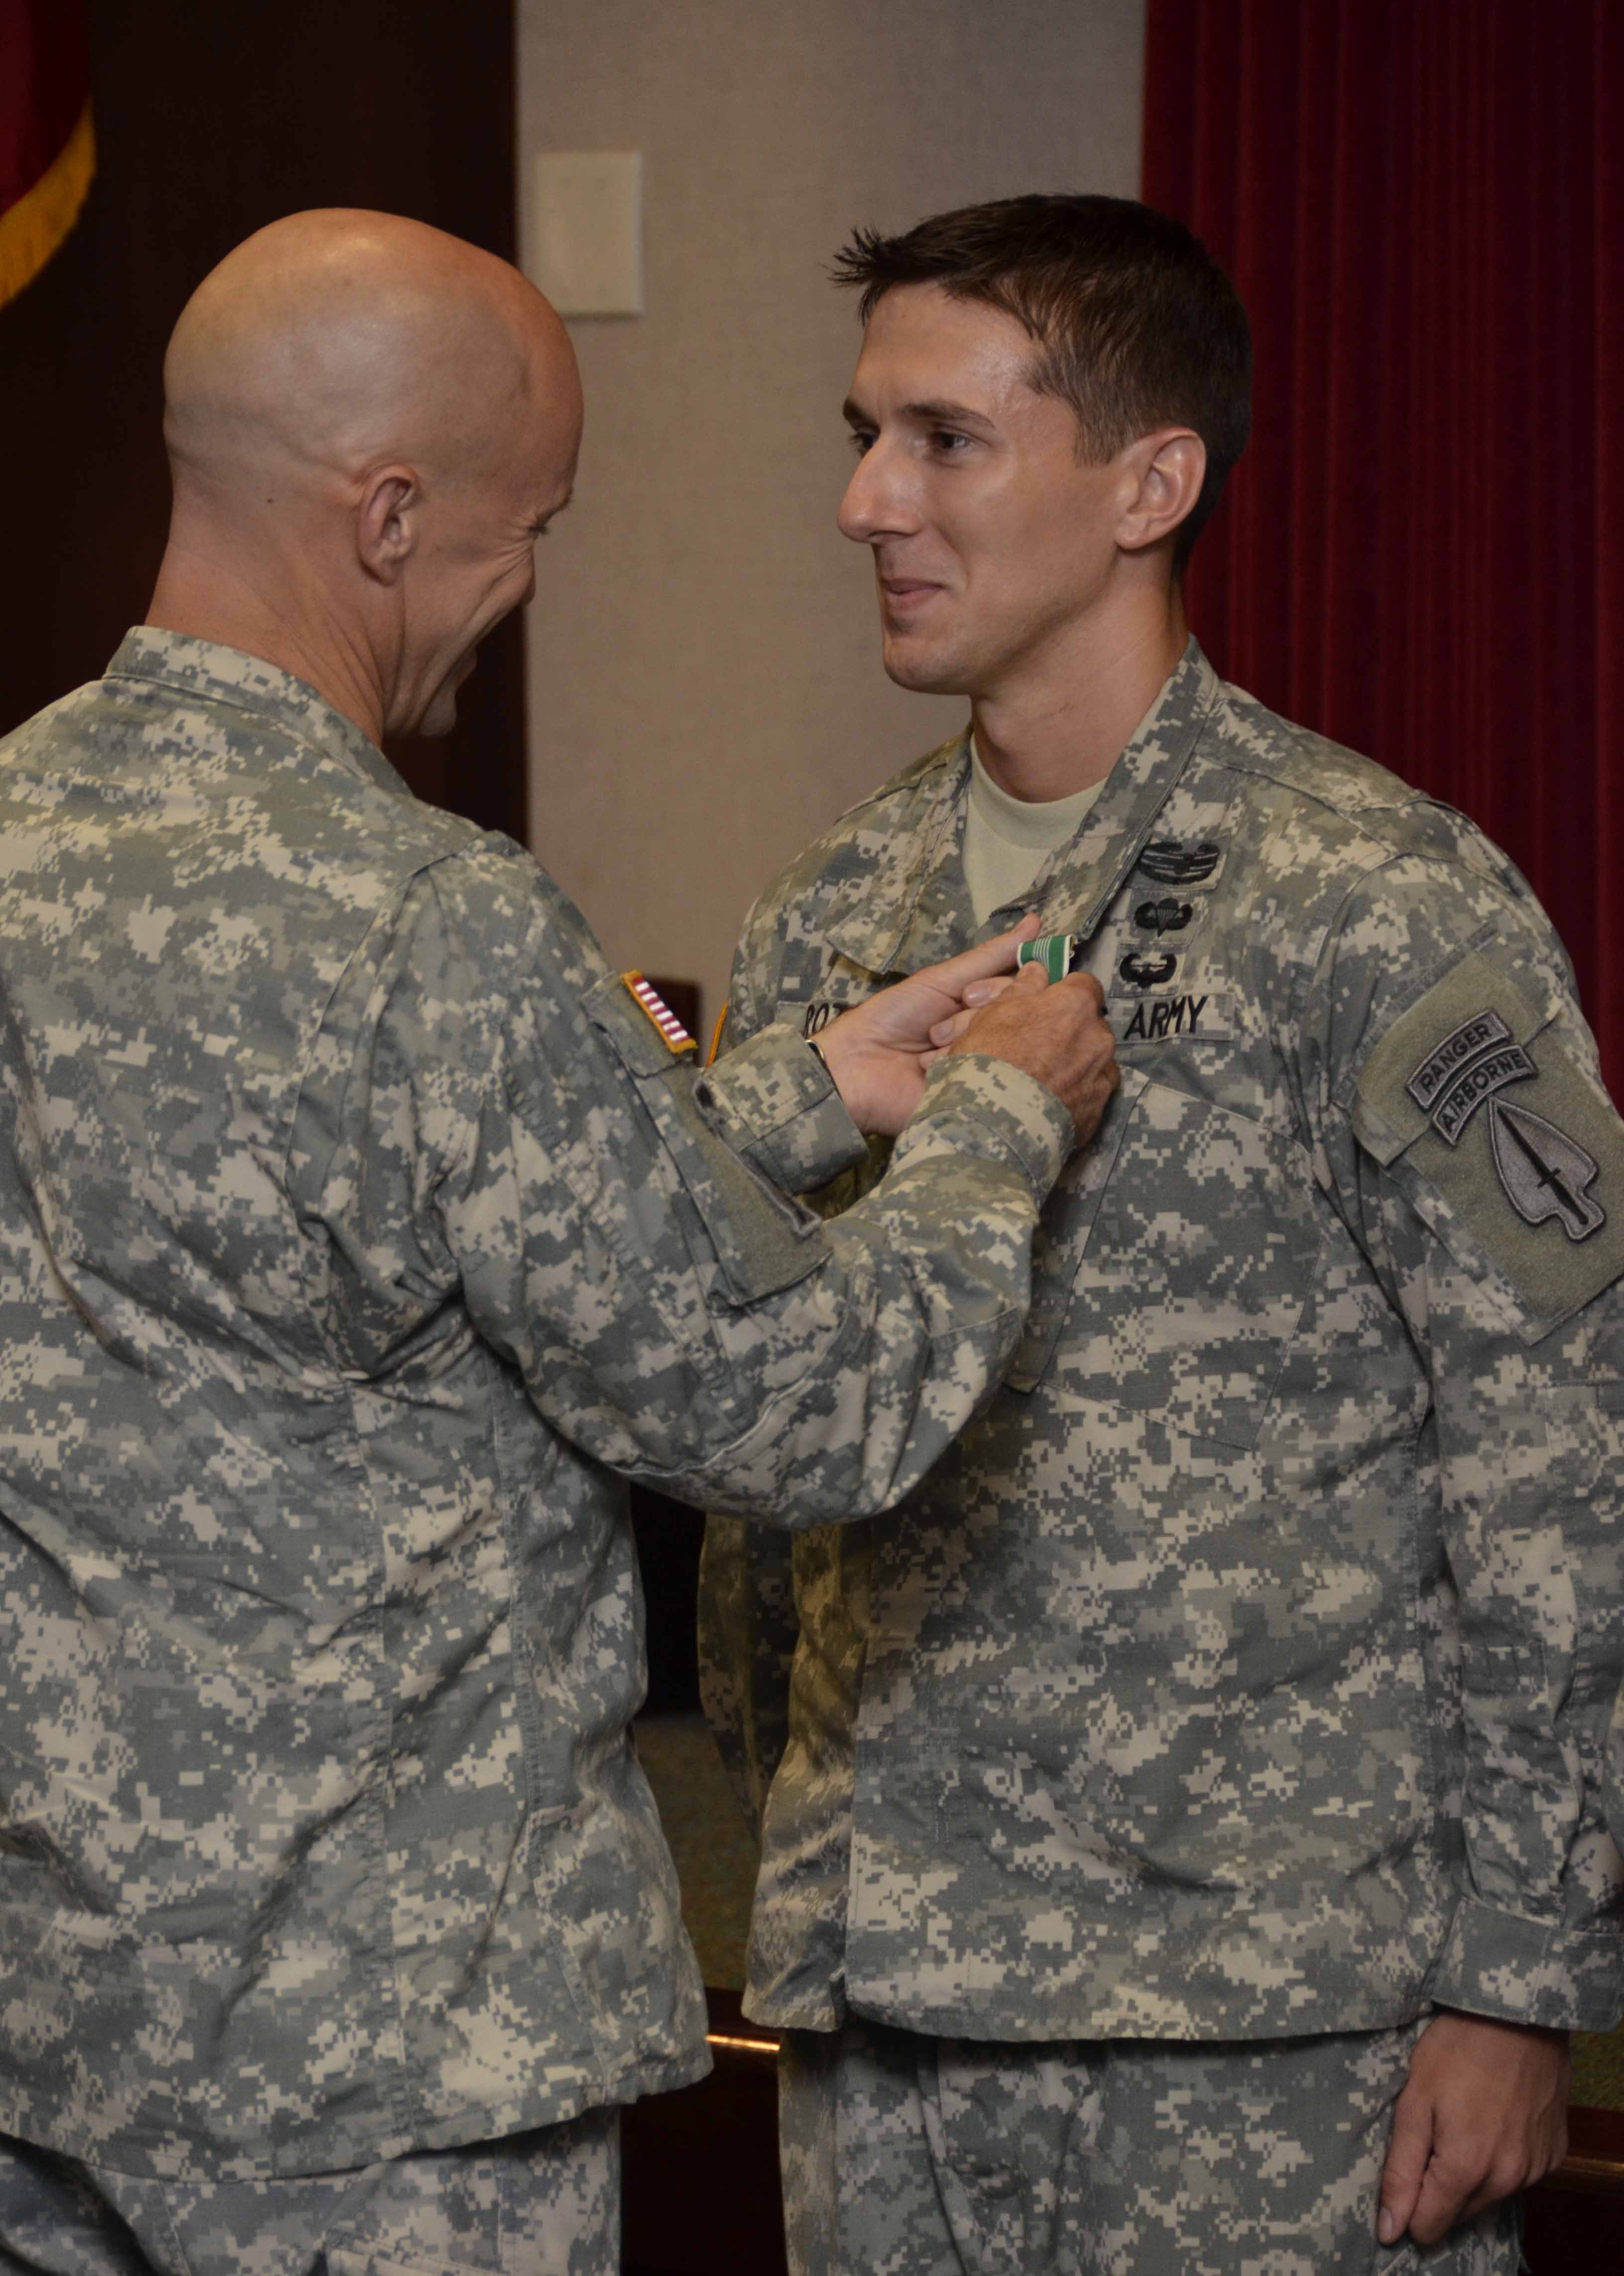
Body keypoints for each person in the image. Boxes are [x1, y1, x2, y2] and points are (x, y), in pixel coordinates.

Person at [0, 209, 1122, 2276]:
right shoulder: (433, 919)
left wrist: (794, 1089)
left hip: (59, 2032)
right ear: (390, 512)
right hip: (390, 2070)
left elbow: (307, 1236)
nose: (520, 589)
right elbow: (807, 1411)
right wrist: (996, 1122)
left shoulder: (20, 830)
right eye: (528, 528)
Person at [699, 193, 1624, 2276]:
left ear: (1151, 480)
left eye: (943, 439)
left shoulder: (1377, 898)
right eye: (863, 434)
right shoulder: (831, 916)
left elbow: (1563, 1455)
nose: (867, 499)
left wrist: (1520, 1975)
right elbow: (768, 1437)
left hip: (1266, 2018)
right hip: (889, 1991)